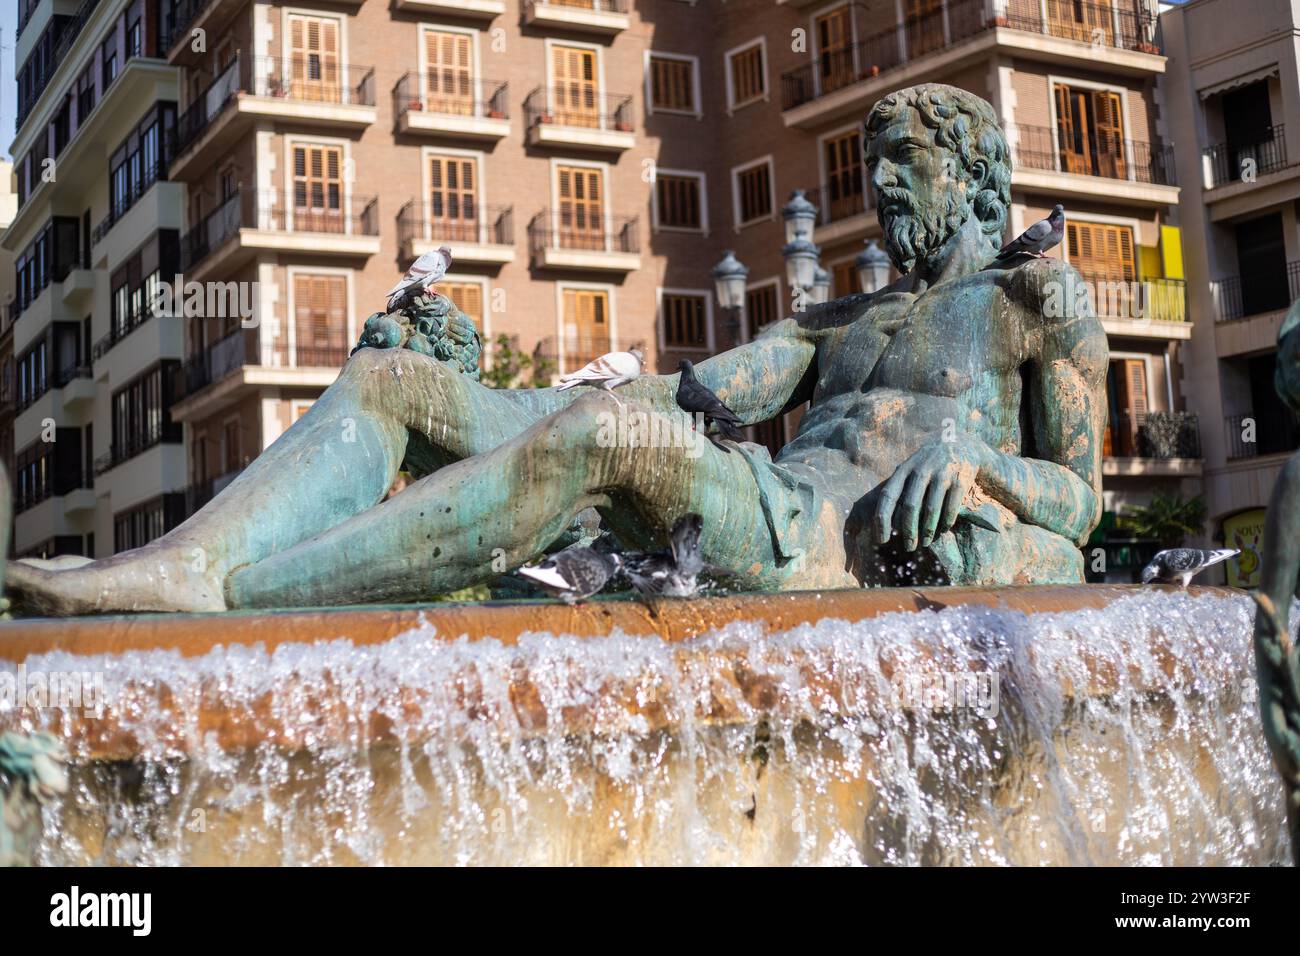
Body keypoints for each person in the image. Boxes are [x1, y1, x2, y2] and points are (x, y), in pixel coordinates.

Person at [8, 84, 1106, 615]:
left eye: (906, 161)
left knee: (603, 437)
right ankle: (184, 562)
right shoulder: (835, 323)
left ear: (975, 170)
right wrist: (476, 394)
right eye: (874, 165)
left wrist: (979, 465)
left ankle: (234, 597)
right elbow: (685, 394)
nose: (882, 184)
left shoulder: (1034, 299)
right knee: (396, 378)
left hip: (836, 544)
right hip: (772, 498)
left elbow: (1081, 501)